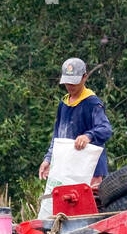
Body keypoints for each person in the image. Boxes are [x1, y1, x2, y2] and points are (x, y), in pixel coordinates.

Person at [38, 58, 112, 189]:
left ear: (85, 77)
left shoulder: (92, 103)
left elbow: (105, 129)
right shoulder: (63, 104)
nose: (70, 86)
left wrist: (88, 136)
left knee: (88, 201)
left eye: (74, 82)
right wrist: (48, 159)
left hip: (90, 170)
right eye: (67, 82)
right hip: (68, 169)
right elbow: (57, 136)